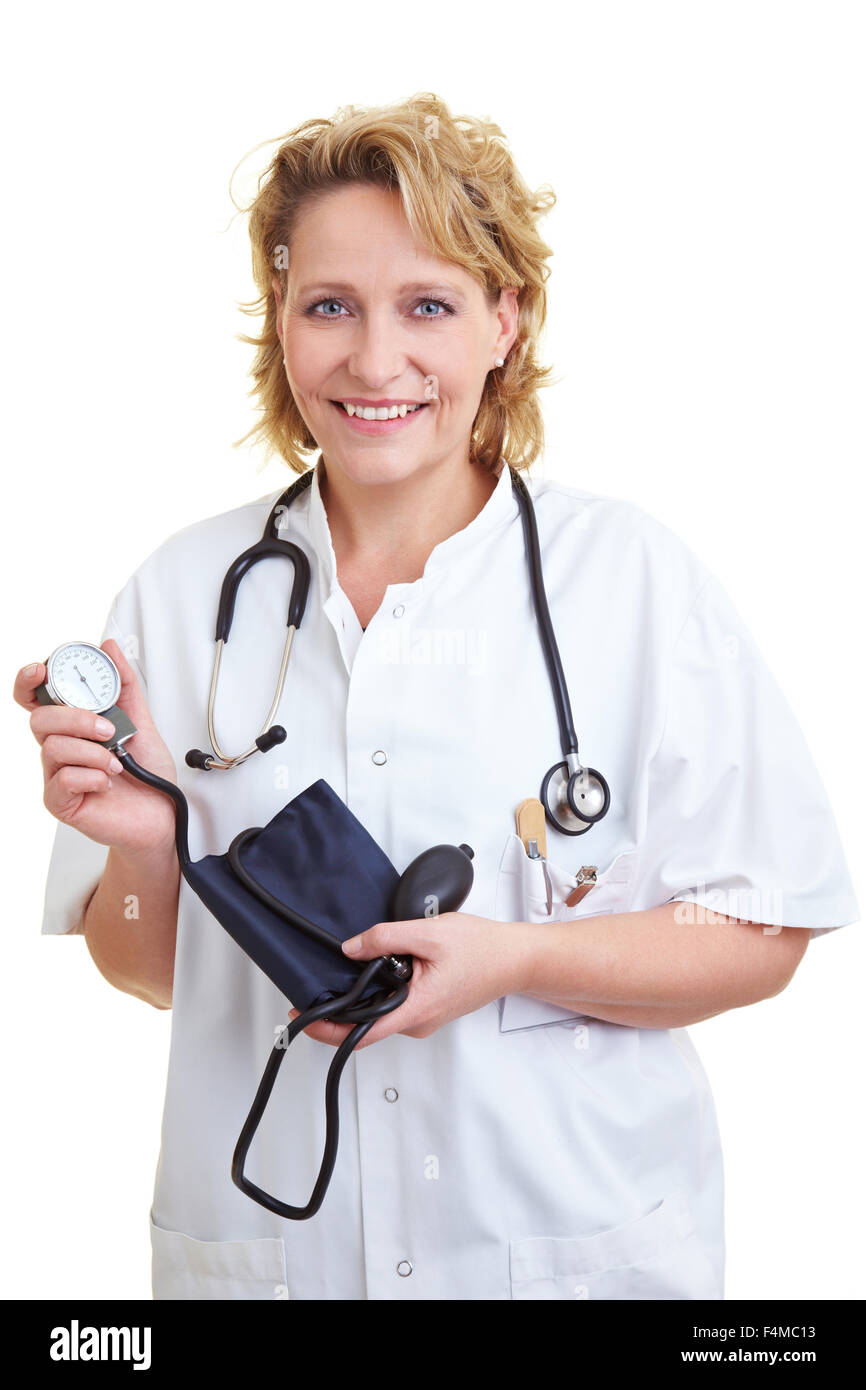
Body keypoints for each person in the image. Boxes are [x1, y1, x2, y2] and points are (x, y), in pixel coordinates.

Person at [15, 93, 859, 1301]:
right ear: (280, 323)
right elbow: (149, 972)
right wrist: (149, 849)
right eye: (328, 307)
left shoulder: (628, 583)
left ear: (503, 320)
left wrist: (515, 958)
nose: (374, 361)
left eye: (427, 306)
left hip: (565, 1260)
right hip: (273, 1262)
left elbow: (761, 934)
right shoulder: (181, 592)